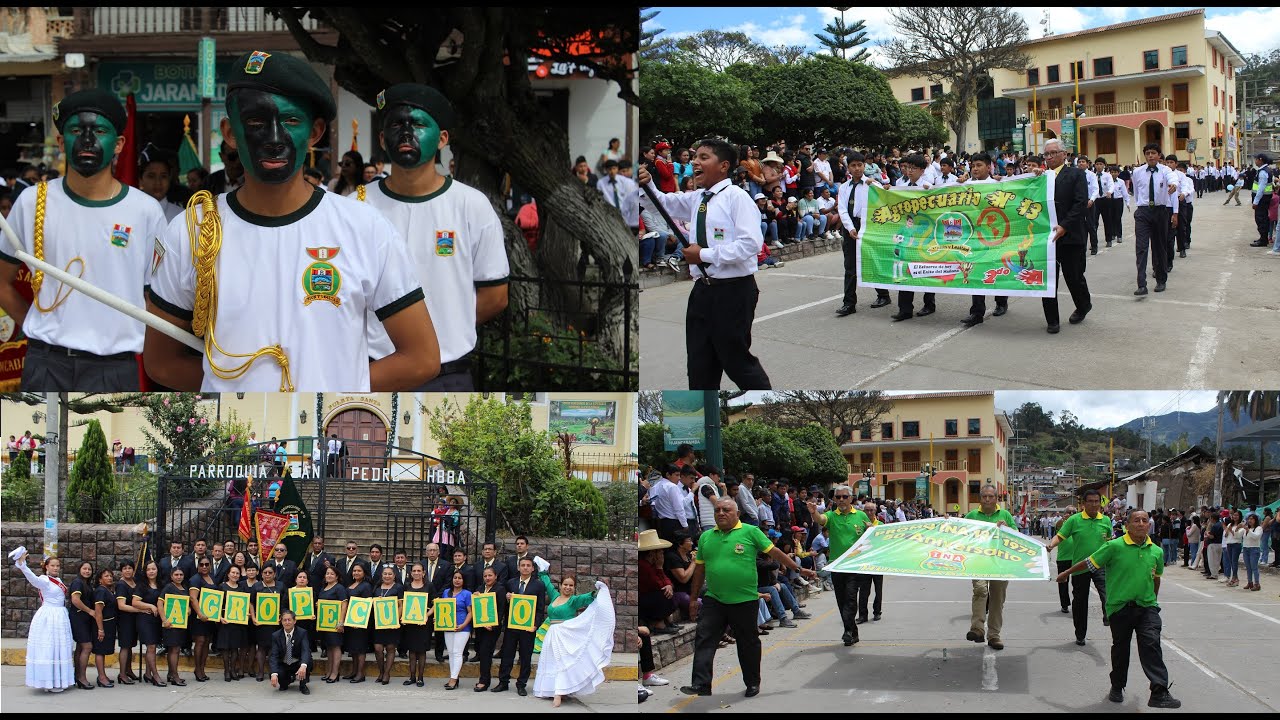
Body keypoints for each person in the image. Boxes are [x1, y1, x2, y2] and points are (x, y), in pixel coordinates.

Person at [144, 50, 438, 392]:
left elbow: (422, 358)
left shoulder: (365, 228)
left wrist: (333, 390)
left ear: (314, 133)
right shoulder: (191, 231)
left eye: (291, 121)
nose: (273, 137)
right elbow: (161, 363)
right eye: (255, 123)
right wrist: (239, 394)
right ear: (230, 133)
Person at [0, 88, 167, 391]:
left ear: (118, 145)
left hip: (115, 367)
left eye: (99, 130)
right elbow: (1, 281)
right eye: (77, 130)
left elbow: (154, 298)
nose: (88, 140)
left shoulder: (146, 211)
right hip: (45, 363)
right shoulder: (30, 202)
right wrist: (35, 326)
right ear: (62, 142)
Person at [363, 83, 508, 390]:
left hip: (446, 373)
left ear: (443, 138)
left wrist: (443, 328)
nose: (405, 133)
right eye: (395, 125)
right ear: (381, 139)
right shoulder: (356, 205)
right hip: (373, 368)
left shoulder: (470, 204)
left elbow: (495, 296)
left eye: (418, 124)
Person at [638, 138, 772, 390]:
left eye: (703, 157)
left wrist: (704, 255)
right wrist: (646, 185)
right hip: (703, 290)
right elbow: (663, 204)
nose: (695, 162)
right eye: (695, 157)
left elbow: (750, 245)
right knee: (699, 366)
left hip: (734, 291)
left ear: (723, 166)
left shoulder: (736, 198)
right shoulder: (698, 197)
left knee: (736, 362)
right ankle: (699, 419)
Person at [682, 497, 817, 699]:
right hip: (714, 599)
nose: (720, 513)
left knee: (748, 644)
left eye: (726, 510)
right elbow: (700, 569)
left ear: (736, 514)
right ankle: (701, 684)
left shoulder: (750, 531)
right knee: (704, 640)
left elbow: (776, 552)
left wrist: (798, 569)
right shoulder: (706, 537)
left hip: (744, 600)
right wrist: (693, 599)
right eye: (717, 509)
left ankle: (752, 683)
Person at [1054, 510, 1181, 708]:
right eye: (1136, 520)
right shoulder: (1114, 546)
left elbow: (1156, 579)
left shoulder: (1156, 551)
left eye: (1144, 520)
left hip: (1147, 608)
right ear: (1127, 526)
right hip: (1120, 608)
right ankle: (1117, 686)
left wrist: (1154, 603)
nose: (1140, 524)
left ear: (1149, 525)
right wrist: (1066, 573)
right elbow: (1089, 562)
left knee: (1151, 644)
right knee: (1121, 650)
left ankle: (1159, 691)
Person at [532, 575, 614, 707]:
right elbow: (547, 584)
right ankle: (551, 689)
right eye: (565, 584)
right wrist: (542, 571)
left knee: (563, 663)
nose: (567, 587)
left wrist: (597, 591)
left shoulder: (573, 600)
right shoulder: (554, 596)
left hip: (566, 635)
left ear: (574, 587)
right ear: (561, 585)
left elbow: (586, 598)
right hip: (552, 634)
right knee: (551, 662)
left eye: (571, 585)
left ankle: (559, 692)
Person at [805, 486, 870, 646]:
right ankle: (852, 632)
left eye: (844, 497)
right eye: (838, 497)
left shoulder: (861, 516)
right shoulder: (832, 516)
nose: (841, 500)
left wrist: (870, 531)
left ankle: (847, 631)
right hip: (836, 565)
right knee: (842, 600)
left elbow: (871, 537)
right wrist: (813, 512)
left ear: (851, 498)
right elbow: (820, 520)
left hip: (854, 566)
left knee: (850, 598)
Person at [1046, 489, 1111, 646]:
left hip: (1100, 565)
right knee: (1080, 602)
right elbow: (1060, 536)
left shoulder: (1106, 521)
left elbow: (1109, 542)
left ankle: (1107, 615)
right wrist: (1051, 545)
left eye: (1097, 501)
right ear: (1083, 504)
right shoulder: (1074, 520)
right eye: (1090, 501)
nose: (1094, 504)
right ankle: (1080, 634)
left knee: (1107, 592)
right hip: (1080, 567)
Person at [1040, 139, 1090, 334]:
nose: (1050, 157)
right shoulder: (1041, 177)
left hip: (1070, 234)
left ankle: (1083, 305)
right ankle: (1052, 320)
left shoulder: (1076, 175)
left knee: (1073, 277)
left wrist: (1064, 226)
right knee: (1048, 279)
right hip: (1047, 237)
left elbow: (1080, 203)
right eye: (1046, 154)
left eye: (1053, 153)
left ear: (1064, 155)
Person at [11, 548, 74, 692]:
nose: (56, 568)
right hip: (49, 616)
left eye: (57, 565)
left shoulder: (57, 579)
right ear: (46, 566)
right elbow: (33, 579)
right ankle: (48, 682)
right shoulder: (45, 580)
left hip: (59, 615)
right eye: (53, 565)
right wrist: (23, 565)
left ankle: (56, 680)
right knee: (49, 649)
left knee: (59, 649)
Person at [835, 151, 890, 316]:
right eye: (853, 165)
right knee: (850, 265)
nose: (857, 168)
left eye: (860, 165)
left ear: (864, 166)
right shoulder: (844, 187)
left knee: (871, 260)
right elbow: (842, 210)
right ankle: (849, 303)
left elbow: (885, 200)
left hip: (869, 225)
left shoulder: (872, 184)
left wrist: (877, 186)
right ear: (848, 168)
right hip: (850, 226)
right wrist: (850, 228)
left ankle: (883, 295)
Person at [964, 485, 1016, 650]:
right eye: (984, 496)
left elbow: (1016, 535)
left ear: (996, 498)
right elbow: (958, 533)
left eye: (991, 496)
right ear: (980, 498)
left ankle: (994, 635)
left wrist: (1006, 528)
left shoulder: (1005, 515)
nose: (987, 499)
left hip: (1000, 563)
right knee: (980, 590)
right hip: (978, 562)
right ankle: (977, 629)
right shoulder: (971, 515)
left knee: (997, 598)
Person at [960, 153, 1009, 326]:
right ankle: (977, 313)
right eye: (973, 165)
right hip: (975, 237)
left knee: (995, 269)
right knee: (975, 271)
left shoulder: (998, 185)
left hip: (994, 235)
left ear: (989, 167)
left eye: (979, 165)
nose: (975, 168)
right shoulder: (966, 186)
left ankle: (1001, 302)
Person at [1129, 144, 1180, 295]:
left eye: (1153, 153)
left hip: (1160, 211)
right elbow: (1137, 192)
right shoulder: (1137, 172)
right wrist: (1141, 206)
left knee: (1159, 247)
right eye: (1147, 153)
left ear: (1159, 155)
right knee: (1141, 247)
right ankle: (1141, 284)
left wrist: (1173, 185)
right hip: (1143, 212)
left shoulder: (1165, 171)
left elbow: (1173, 178)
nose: (1150, 156)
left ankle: (1161, 280)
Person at [492, 556, 546, 696]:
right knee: (507, 655)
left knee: (525, 656)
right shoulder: (511, 583)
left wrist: (535, 625)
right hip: (512, 626)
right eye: (523, 565)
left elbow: (540, 608)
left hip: (528, 628)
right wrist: (507, 598)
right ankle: (503, 682)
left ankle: (521, 684)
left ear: (533, 568)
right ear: (518, 567)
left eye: (528, 565)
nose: (526, 567)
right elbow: (503, 604)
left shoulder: (539, 585)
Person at [472, 565, 507, 692]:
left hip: (492, 628)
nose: (487, 578)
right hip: (481, 626)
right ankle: (484, 678)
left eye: (490, 575)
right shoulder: (480, 589)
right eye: (485, 576)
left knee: (486, 653)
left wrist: (493, 624)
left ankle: (484, 681)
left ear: (495, 576)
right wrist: (475, 596)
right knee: (481, 652)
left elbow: (501, 610)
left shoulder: (500, 589)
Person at [131, 560, 165, 687]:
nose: (151, 571)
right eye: (148, 569)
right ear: (145, 572)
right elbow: (135, 602)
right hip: (145, 620)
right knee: (151, 647)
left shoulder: (162, 585)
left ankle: (147, 674)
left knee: (154, 647)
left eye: (153, 569)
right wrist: (150, 606)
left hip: (157, 620)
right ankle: (155, 675)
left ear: (157, 570)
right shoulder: (141, 586)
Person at [217, 565, 252, 681]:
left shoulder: (242, 588)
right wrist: (220, 617)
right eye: (233, 573)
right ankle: (226, 671)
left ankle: (233, 670)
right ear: (228, 574)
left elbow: (245, 605)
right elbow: (217, 605)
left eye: (237, 573)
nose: (235, 575)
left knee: (235, 648)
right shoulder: (221, 587)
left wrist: (246, 614)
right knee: (226, 648)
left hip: (238, 623)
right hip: (226, 622)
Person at [401, 563, 433, 686]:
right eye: (414, 570)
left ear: (423, 573)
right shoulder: (407, 586)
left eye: (419, 570)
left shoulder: (429, 586)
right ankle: (412, 677)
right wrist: (403, 616)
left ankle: (420, 677)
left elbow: (435, 603)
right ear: (411, 573)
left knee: (421, 651)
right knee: (412, 650)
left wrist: (427, 615)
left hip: (424, 624)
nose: (416, 573)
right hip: (410, 623)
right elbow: (403, 604)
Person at [440, 570, 473, 690]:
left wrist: (464, 625)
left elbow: (470, 612)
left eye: (460, 578)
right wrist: (439, 619)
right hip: (448, 626)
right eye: (455, 577)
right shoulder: (446, 592)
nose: (457, 580)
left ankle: (453, 679)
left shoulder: (467, 594)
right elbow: (442, 608)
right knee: (451, 653)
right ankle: (454, 676)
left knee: (458, 652)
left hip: (462, 628)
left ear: (463, 580)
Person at [371, 565, 403, 685]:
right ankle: (381, 671)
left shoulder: (398, 587)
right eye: (385, 574)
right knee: (378, 648)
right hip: (378, 623)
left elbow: (401, 605)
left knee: (390, 648)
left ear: (394, 575)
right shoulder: (377, 588)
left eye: (390, 574)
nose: (387, 576)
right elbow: (372, 605)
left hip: (392, 623)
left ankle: (386, 673)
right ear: (382, 575)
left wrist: (396, 620)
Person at [68, 560, 96, 689]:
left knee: (80, 647)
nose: (87, 571)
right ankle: (82, 678)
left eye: (89, 569)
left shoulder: (86, 584)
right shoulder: (77, 583)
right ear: (79, 570)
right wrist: (90, 611)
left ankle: (76, 675)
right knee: (87, 646)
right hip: (78, 618)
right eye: (84, 569)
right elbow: (75, 600)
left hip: (85, 619)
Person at [269, 609, 312, 694]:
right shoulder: (276, 635)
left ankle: (303, 685)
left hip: (297, 662)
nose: (287, 622)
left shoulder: (302, 633)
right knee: (283, 685)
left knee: (307, 662)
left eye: (289, 620)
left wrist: (303, 666)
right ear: (281, 622)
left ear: (294, 621)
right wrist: (274, 673)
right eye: (284, 620)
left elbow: (305, 650)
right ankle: (287, 680)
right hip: (284, 663)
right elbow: (274, 655)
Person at [113, 561, 141, 685]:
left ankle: (128, 670)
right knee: (125, 646)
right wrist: (140, 609)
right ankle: (122, 674)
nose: (128, 570)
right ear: (121, 571)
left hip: (134, 619)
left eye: (130, 568)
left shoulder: (135, 582)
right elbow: (121, 606)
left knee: (130, 646)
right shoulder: (121, 585)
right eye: (125, 568)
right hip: (125, 619)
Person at [160, 566, 189, 686]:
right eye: (176, 575)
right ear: (171, 576)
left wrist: (189, 609)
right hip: (171, 624)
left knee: (175, 649)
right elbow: (160, 602)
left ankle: (170, 674)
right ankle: (175, 675)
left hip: (180, 624)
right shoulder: (169, 587)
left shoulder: (184, 587)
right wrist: (164, 620)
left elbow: (185, 603)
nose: (179, 577)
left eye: (181, 574)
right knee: (174, 649)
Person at [1241, 513, 1263, 591]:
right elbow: (1239, 536)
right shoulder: (1246, 529)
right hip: (1246, 548)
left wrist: (1247, 530)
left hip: (1254, 549)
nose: (1250, 521)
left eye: (1252, 519)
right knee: (1248, 567)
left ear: (1255, 520)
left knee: (1254, 567)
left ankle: (1257, 583)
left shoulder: (1259, 528)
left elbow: (1256, 537)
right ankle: (1250, 582)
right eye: (1249, 519)